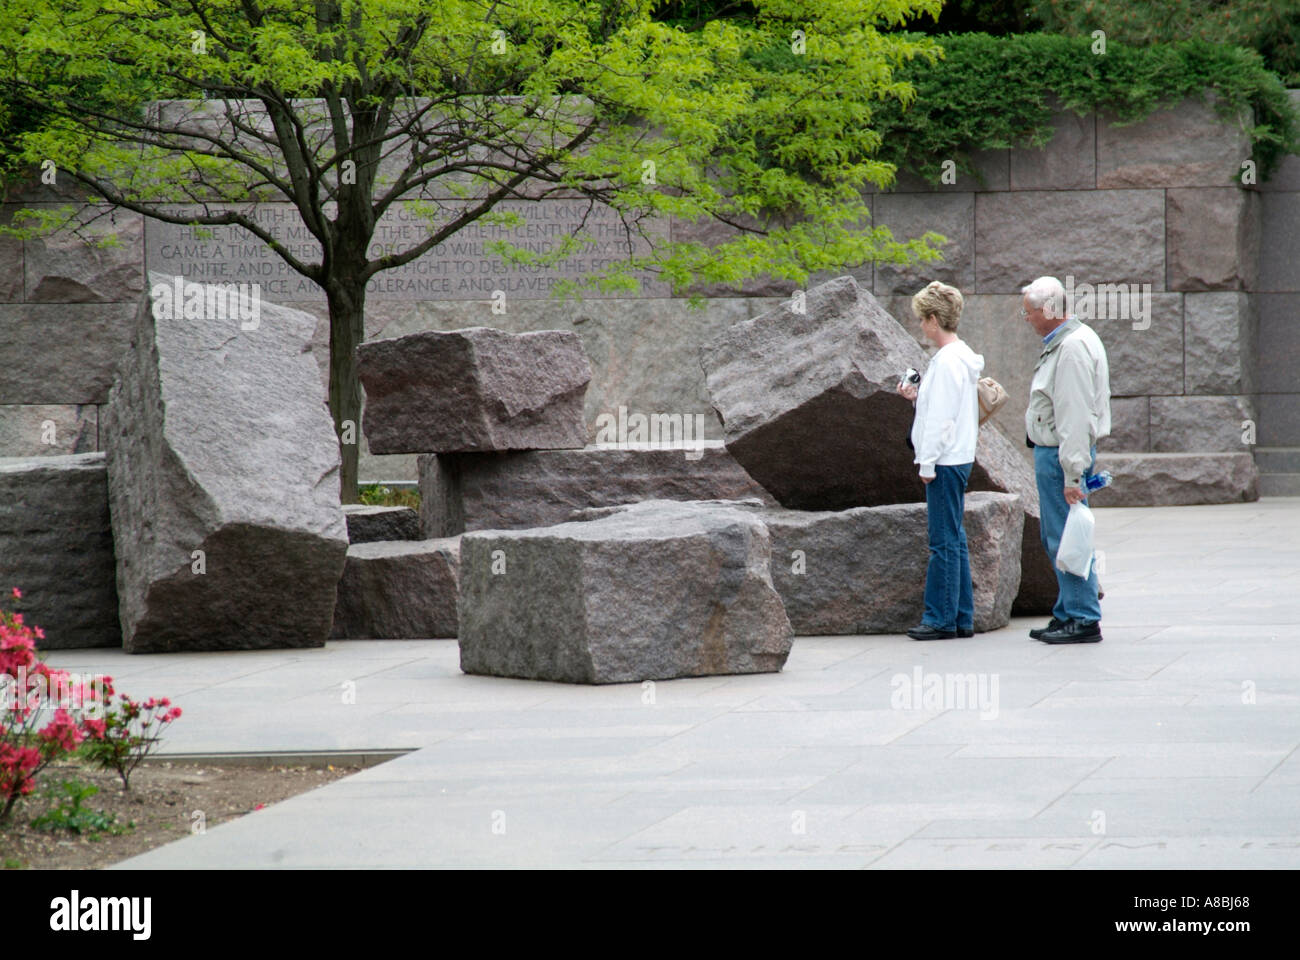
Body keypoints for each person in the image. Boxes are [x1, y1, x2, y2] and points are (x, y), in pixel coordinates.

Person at [1020, 275, 1111, 643]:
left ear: (1047, 311)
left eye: (1028, 312)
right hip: (1058, 454)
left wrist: (1073, 475)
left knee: (1066, 538)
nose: (1026, 318)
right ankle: (1067, 611)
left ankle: (1082, 617)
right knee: (1058, 535)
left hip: (1060, 456)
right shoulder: (1072, 340)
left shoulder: (1071, 348)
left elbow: (1074, 418)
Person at [897, 281, 984, 641]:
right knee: (955, 538)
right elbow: (943, 410)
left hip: (945, 461)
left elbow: (941, 421)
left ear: (934, 319)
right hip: (958, 457)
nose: (921, 326)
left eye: (922, 319)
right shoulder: (961, 357)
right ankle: (961, 616)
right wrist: (917, 397)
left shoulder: (947, 362)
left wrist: (927, 464)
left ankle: (940, 618)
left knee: (943, 541)